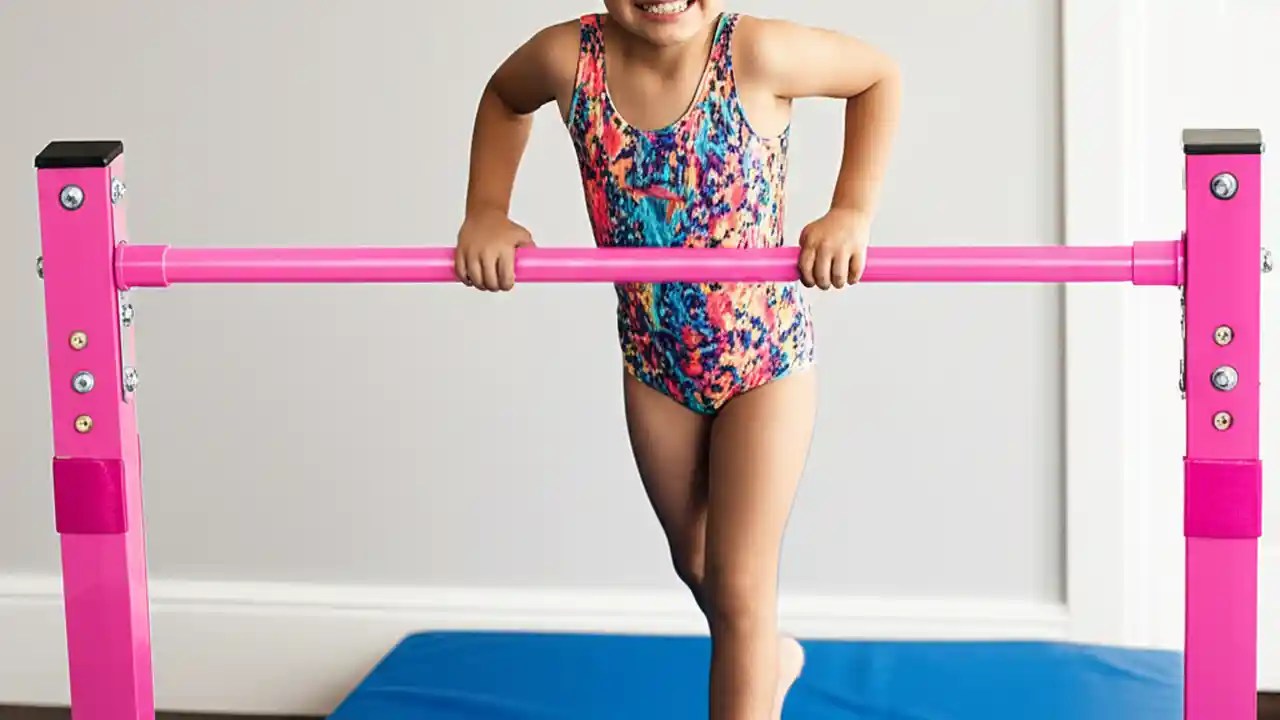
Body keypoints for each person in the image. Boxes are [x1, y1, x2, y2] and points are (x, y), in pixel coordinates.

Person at [454, 1, 900, 717]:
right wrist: (486, 209)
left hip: (765, 358)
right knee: (696, 562)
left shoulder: (755, 53)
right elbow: (505, 99)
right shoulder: (567, 60)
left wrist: (851, 210)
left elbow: (876, 77)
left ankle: (755, 660)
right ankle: (771, 656)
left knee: (739, 584)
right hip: (655, 362)